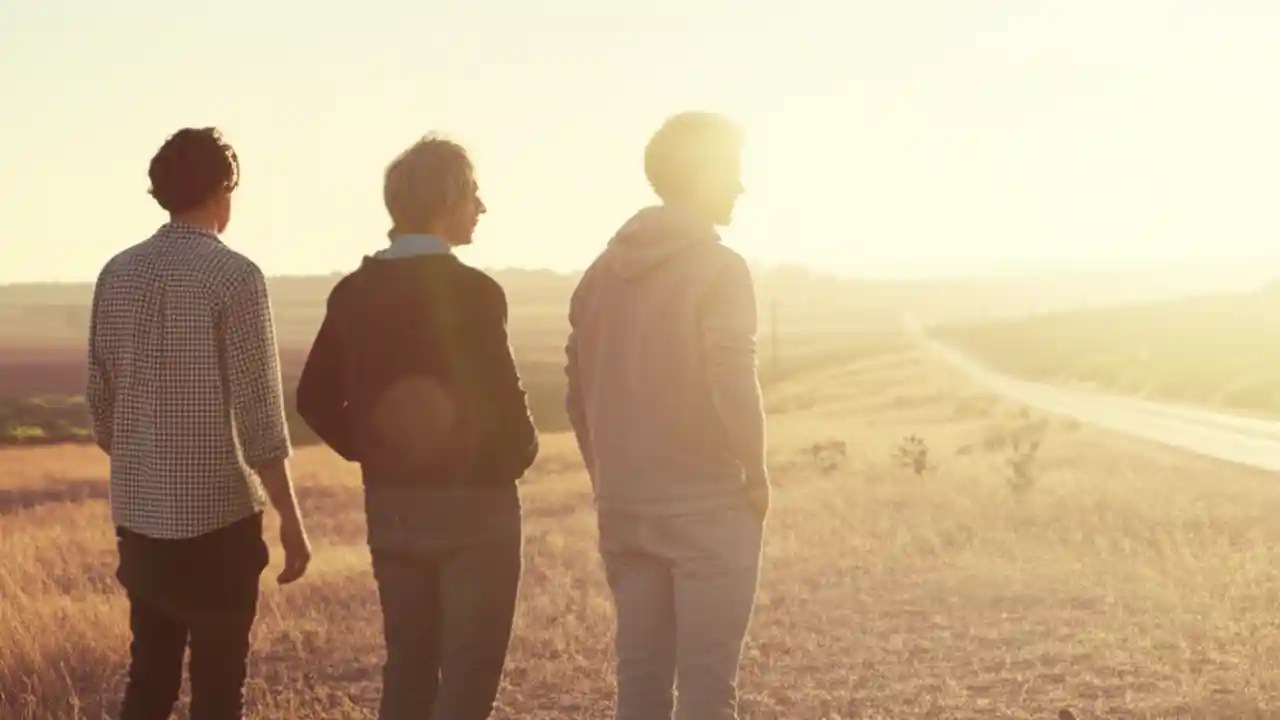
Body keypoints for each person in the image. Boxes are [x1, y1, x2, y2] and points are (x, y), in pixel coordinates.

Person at [296, 135, 538, 719]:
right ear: (447, 198)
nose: (481, 207)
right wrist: (513, 457)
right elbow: (506, 407)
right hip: (476, 507)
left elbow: (312, 397)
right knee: (468, 675)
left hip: (393, 506)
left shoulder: (353, 292)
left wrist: (376, 452)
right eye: (474, 194)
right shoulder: (476, 293)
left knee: (407, 668)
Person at [87, 127, 312, 720]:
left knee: (149, 683)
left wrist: (146, 463)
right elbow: (260, 414)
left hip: (140, 521)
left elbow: (99, 402)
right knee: (217, 693)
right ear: (223, 189)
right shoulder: (236, 276)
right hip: (221, 524)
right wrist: (291, 518)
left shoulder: (116, 274)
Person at [565, 112, 769, 720]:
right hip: (708, 499)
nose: (740, 187)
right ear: (702, 175)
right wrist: (755, 472)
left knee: (641, 681)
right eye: (731, 171)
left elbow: (576, 394)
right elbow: (732, 374)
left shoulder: (597, 276)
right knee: (708, 687)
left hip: (624, 504)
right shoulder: (720, 268)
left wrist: (605, 478)